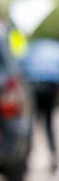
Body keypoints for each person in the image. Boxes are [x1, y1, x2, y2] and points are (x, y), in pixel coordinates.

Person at [22, 36, 59, 172]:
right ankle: (53, 156)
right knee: (48, 123)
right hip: (51, 86)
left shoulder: (33, 48)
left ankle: (27, 157)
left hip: (35, 85)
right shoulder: (55, 48)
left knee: (32, 123)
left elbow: (23, 66)